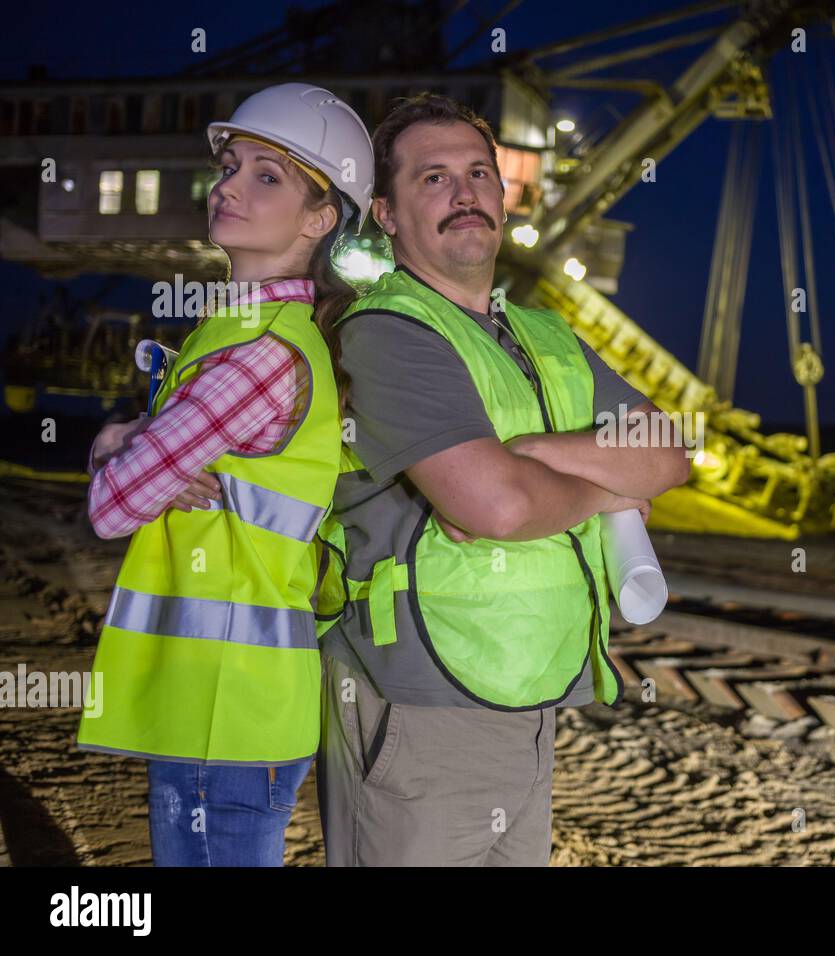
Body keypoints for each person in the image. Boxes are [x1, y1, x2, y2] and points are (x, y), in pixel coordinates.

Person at [315, 92, 691, 866]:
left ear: (502, 193)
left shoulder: (546, 334)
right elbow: (493, 504)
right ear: (384, 213)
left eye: (479, 173)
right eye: (433, 178)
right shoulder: (387, 331)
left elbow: (668, 453)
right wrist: (605, 485)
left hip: (532, 696)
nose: (464, 193)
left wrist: (531, 449)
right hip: (415, 706)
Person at [75, 82, 373, 867]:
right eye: (231, 166)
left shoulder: (255, 355)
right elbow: (140, 480)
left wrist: (117, 450)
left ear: (319, 220)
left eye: (265, 176)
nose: (229, 185)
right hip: (227, 710)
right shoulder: (255, 333)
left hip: (224, 719)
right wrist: (132, 448)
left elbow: (112, 508)